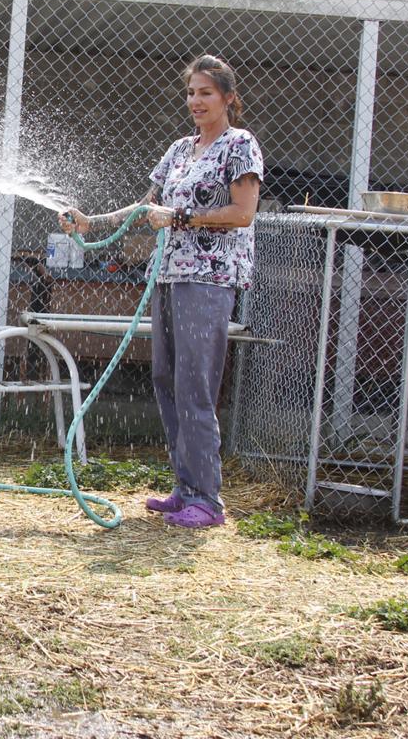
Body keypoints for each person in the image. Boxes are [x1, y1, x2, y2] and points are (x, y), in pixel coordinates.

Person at [57, 54, 263, 529]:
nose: (196, 101)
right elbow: (146, 207)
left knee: (195, 384)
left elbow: (243, 212)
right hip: (168, 274)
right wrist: (91, 222)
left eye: (206, 93)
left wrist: (183, 217)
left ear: (228, 98)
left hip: (208, 278)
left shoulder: (239, 145)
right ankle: (185, 488)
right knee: (166, 379)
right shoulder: (180, 149)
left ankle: (207, 500)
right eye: (191, 92)